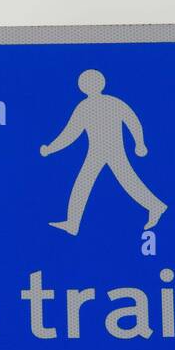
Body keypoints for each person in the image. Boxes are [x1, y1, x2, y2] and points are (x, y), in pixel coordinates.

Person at [39, 68, 166, 234]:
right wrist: (139, 144)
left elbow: (69, 135)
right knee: (93, 182)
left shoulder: (92, 106)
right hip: (99, 151)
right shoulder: (101, 104)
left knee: (108, 181)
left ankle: (155, 206)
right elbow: (70, 133)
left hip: (110, 150)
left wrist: (49, 149)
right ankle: (73, 223)